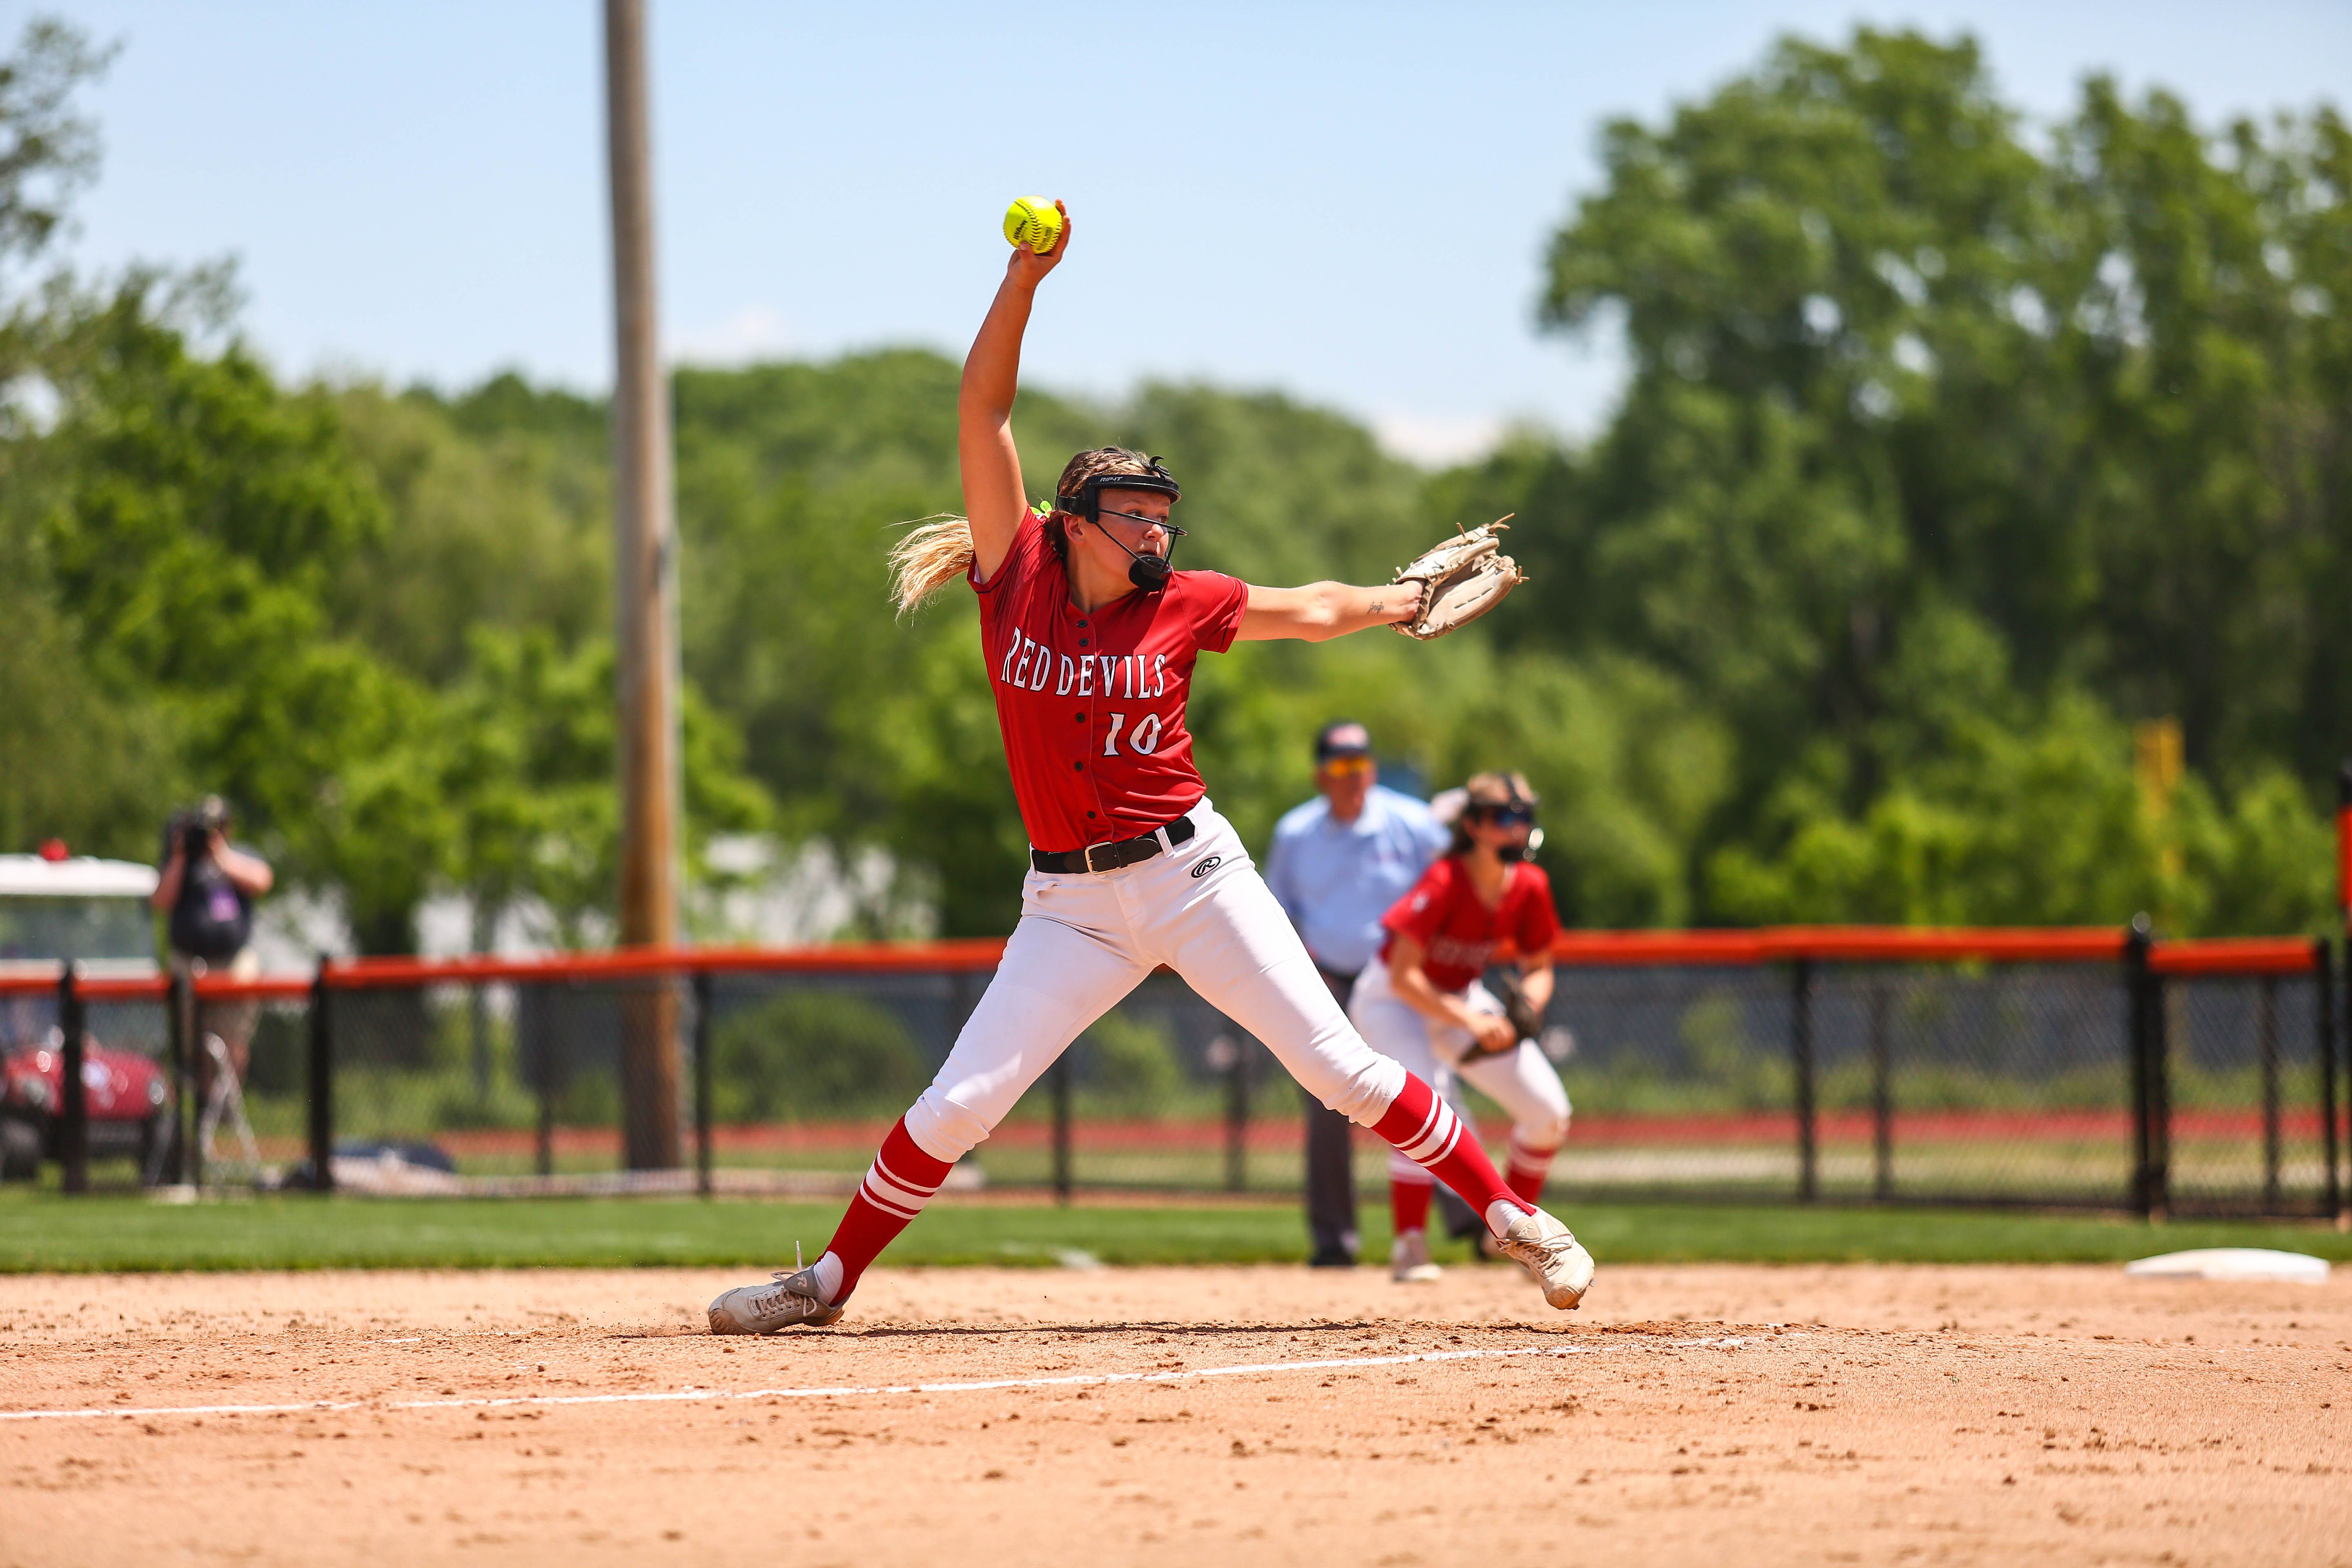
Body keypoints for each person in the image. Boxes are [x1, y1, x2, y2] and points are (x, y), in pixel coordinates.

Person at [708, 201, 1593, 1332]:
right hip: (1068, 904)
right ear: (1075, 521)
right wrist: (1026, 277)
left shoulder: (1183, 603)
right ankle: (825, 1283)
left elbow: (1307, 609)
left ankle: (1519, 1221)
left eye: (1162, 515)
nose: (1156, 533)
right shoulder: (1014, 565)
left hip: (1194, 879)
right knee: (961, 1104)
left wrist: (1395, 603)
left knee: (1341, 1069)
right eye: (1133, 515)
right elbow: (982, 406)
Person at [1350, 772, 1573, 1283]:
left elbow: (1539, 967)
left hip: (1457, 998)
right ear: (1473, 825)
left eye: (1524, 817)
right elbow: (1405, 976)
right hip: (1393, 1000)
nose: (1516, 828)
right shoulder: (1446, 879)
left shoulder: (1531, 886)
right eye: (1502, 817)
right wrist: (1475, 1020)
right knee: (1428, 1104)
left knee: (1549, 1113)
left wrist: (1528, 1010)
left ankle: (1519, 1237)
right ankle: (1409, 1244)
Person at [1264, 721, 1447, 1266]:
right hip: (1330, 980)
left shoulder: (1412, 823)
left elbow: (1450, 890)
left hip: (1399, 979)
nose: (1355, 776)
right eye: (1342, 766)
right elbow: (1277, 912)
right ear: (1322, 774)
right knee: (1327, 1104)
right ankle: (1334, 1241)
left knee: (1431, 1093)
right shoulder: (1296, 833)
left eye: (1362, 763)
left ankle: (1471, 1223)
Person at [153, 796, 274, 1094]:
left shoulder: (238, 855)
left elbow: (262, 881)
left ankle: (227, 1102)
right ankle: (200, 1101)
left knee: (233, 1038)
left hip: (232, 963)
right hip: (190, 964)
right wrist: (180, 856)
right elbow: (160, 901)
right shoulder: (182, 863)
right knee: (193, 1043)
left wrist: (219, 854)